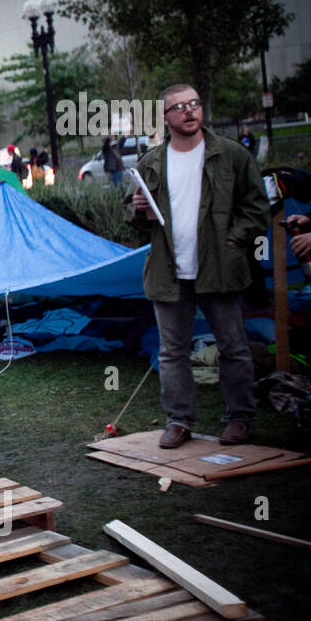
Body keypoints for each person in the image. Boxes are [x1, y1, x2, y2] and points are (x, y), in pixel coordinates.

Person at [127, 84, 269, 448]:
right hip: (169, 270)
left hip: (220, 266)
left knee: (233, 347)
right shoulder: (151, 163)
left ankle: (239, 418)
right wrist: (138, 211)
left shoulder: (232, 155)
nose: (189, 111)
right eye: (179, 107)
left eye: (194, 104)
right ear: (165, 117)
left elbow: (257, 206)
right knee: (172, 352)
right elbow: (135, 218)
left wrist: (235, 239)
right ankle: (178, 421)